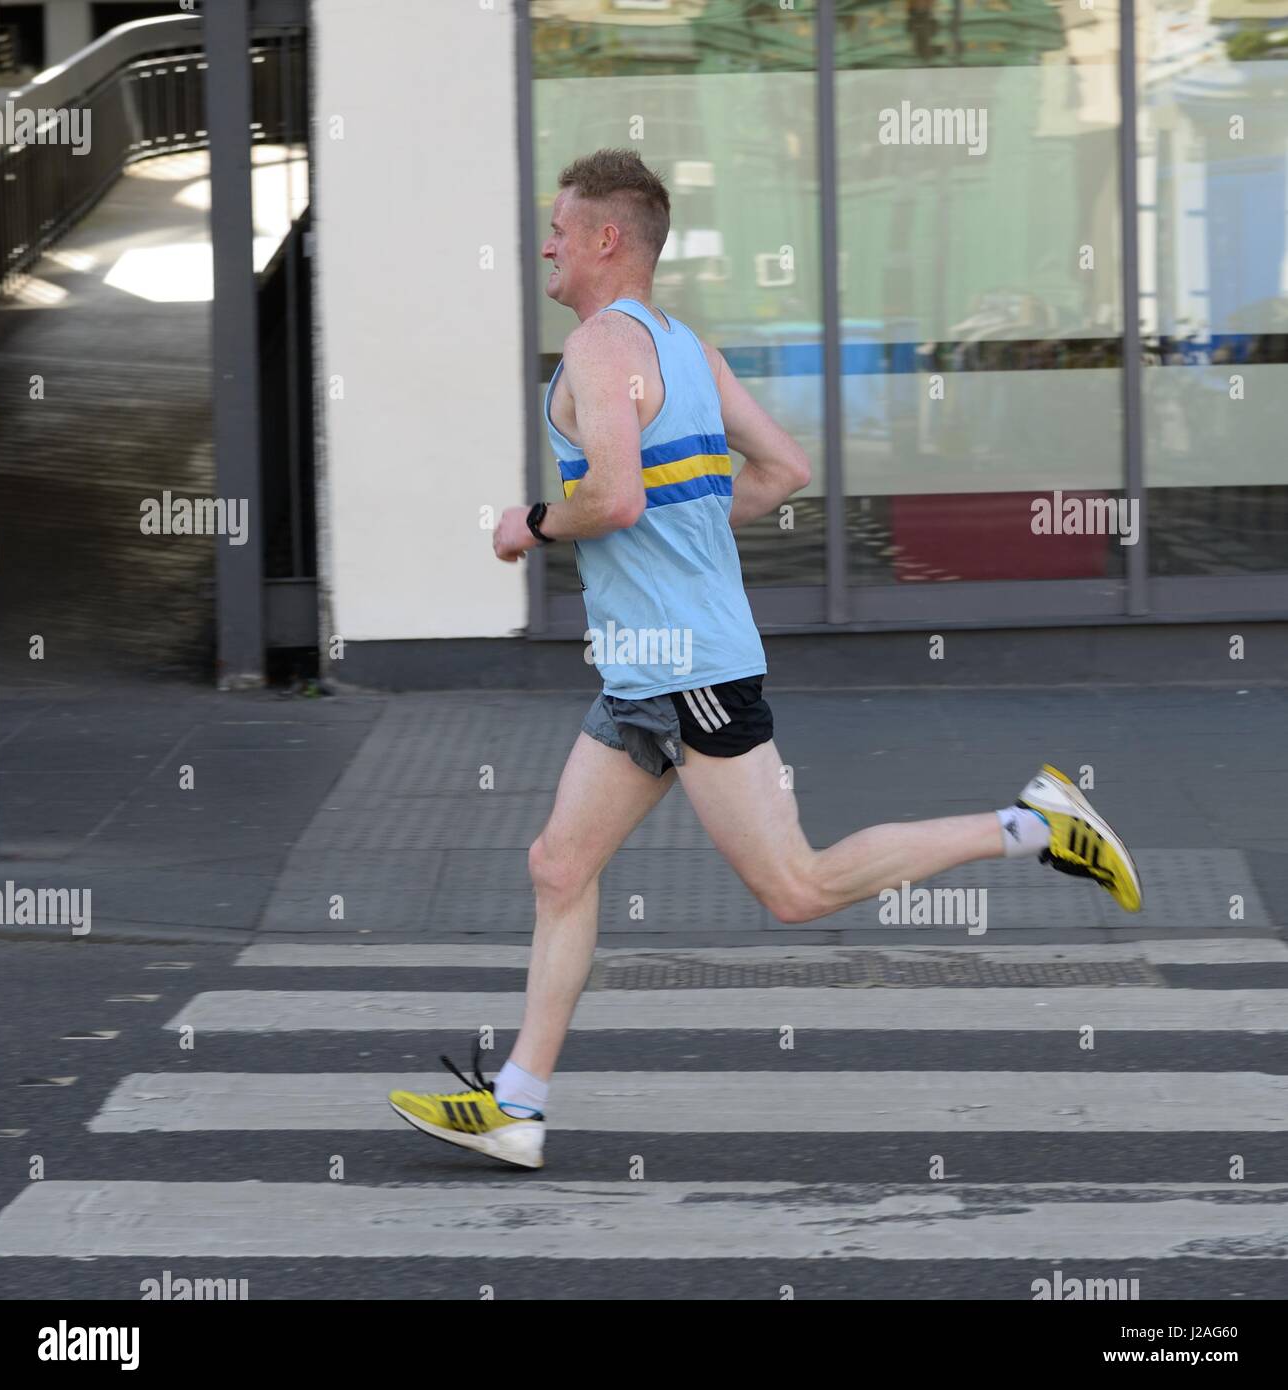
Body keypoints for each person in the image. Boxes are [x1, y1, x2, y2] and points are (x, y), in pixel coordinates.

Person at [388, 150, 1141, 1170]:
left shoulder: (601, 351)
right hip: (642, 674)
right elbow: (780, 470)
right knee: (558, 866)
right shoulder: (686, 350)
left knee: (795, 886)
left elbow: (609, 500)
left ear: (608, 239)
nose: (547, 243)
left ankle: (1033, 824)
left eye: (559, 226)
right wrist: (687, 533)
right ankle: (519, 1100)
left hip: (690, 670)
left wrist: (528, 520)